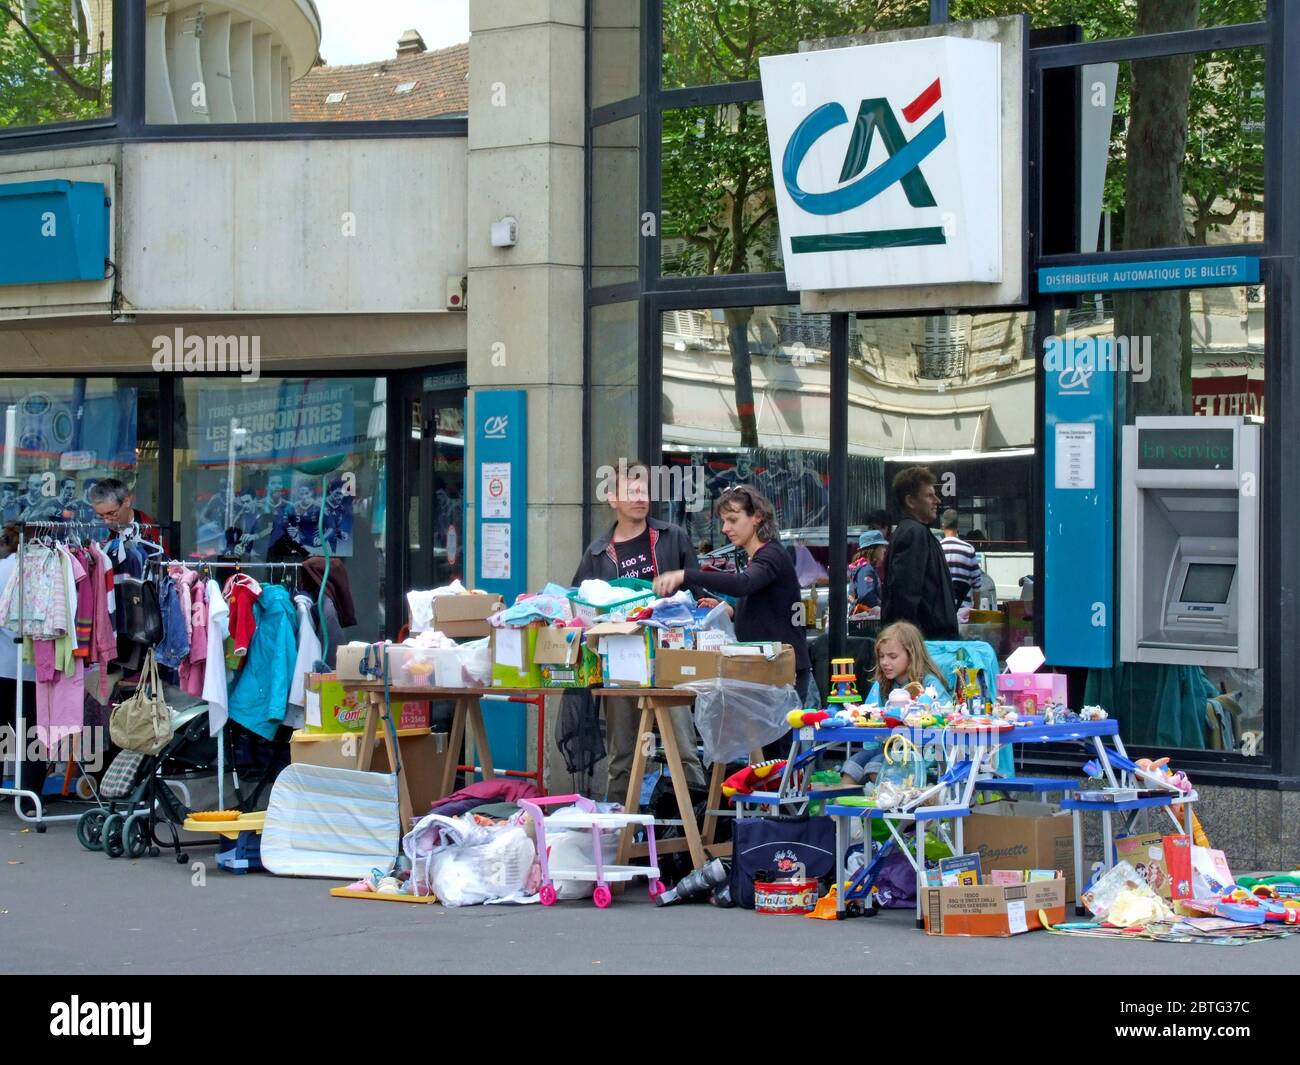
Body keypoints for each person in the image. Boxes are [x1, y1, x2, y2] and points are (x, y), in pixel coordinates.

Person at [564, 460, 710, 804]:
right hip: (620, 663)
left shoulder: (673, 537)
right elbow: (579, 606)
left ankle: (696, 825)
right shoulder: (598, 552)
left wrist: (706, 604)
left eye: (644, 490)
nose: (640, 497)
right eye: (631, 491)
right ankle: (619, 832)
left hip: (669, 656)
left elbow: (699, 587)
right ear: (612, 498)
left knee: (684, 748)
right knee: (623, 756)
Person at [654, 484, 818, 709]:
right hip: (769, 668)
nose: (725, 528)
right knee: (763, 743)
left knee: (777, 743)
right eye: (723, 521)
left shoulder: (770, 555)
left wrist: (686, 575)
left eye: (732, 520)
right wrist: (729, 610)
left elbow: (744, 584)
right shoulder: (764, 555)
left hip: (781, 670)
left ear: (757, 517)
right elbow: (766, 604)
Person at [839, 621, 951, 785]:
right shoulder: (883, 684)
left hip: (922, 750)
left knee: (875, 765)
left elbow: (946, 713)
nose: (885, 662)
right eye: (881, 656)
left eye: (892, 657)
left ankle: (885, 804)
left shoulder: (928, 683)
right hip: (889, 745)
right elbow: (871, 715)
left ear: (911, 655)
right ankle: (839, 811)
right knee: (852, 766)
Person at [881, 467, 958, 640]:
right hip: (926, 643)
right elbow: (905, 595)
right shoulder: (914, 533)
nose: (937, 500)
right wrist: (910, 644)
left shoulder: (916, 532)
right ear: (910, 501)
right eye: (929, 495)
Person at [88, 478, 161, 544]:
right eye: (101, 516)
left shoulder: (150, 533)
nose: (107, 522)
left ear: (127, 501)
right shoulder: (114, 532)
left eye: (111, 513)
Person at [940, 509, 981, 609]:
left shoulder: (937, 548)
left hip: (942, 610)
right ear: (957, 526)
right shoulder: (968, 549)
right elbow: (976, 583)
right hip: (964, 610)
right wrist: (976, 607)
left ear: (942, 526)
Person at [849, 530, 887, 615]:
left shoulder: (864, 568)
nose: (884, 550)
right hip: (866, 619)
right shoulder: (866, 569)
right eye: (882, 546)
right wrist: (882, 606)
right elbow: (865, 595)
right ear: (873, 549)